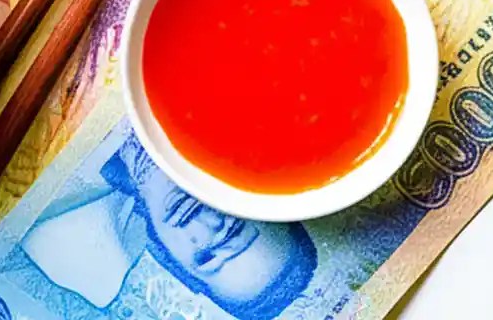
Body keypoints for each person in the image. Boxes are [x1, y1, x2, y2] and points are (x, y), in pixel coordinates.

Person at [21, 133, 318, 319]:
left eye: (205, 257)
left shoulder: (45, 194)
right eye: (235, 224)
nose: (205, 223)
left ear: (166, 257)